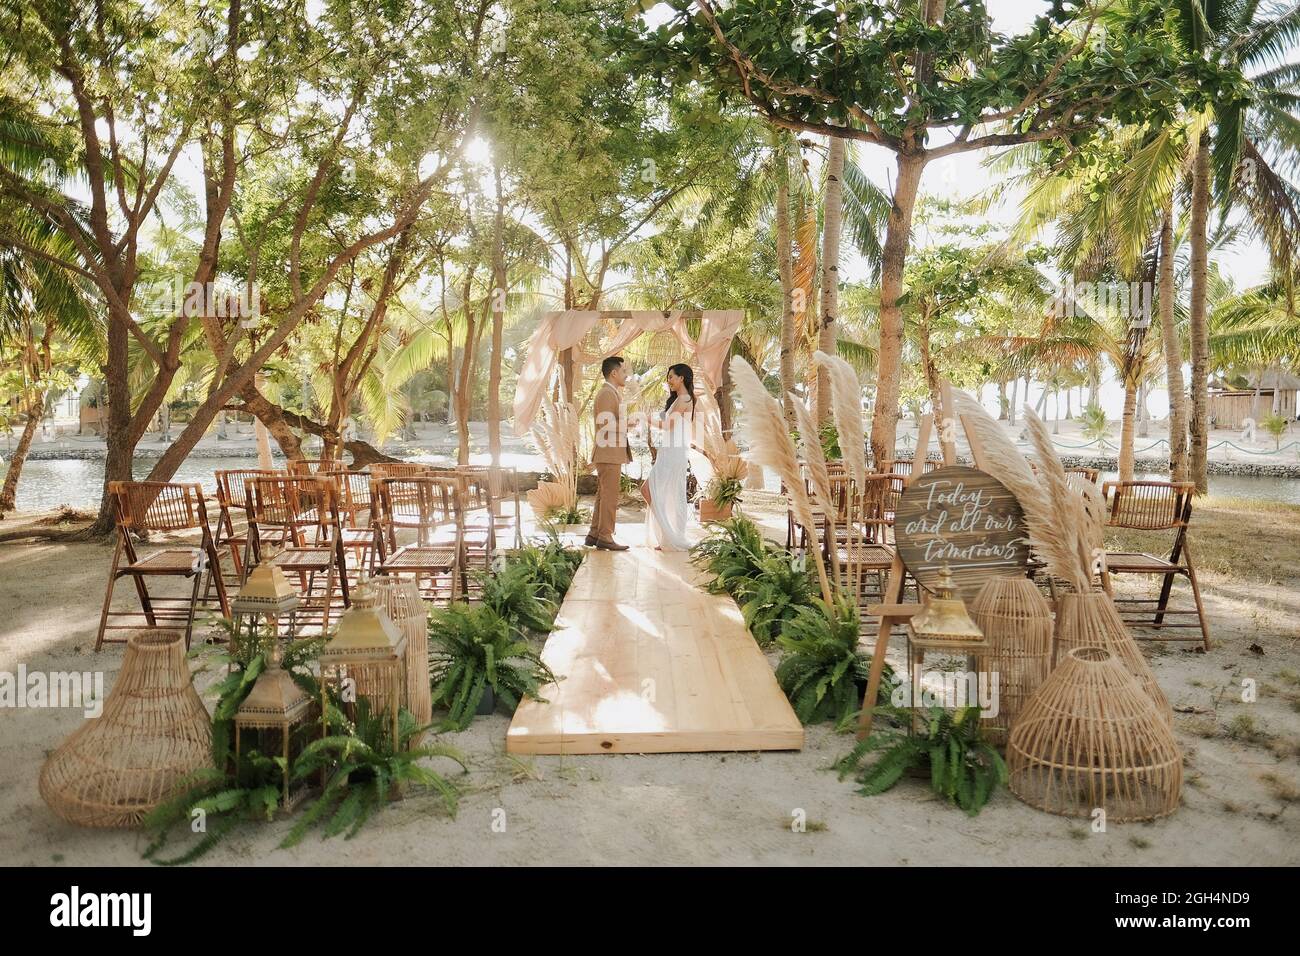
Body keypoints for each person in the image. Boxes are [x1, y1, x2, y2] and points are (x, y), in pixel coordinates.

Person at [640, 363, 695, 552]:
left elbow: (667, 426)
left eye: (671, 376)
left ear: (682, 378)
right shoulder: (678, 399)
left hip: (674, 453)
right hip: (669, 451)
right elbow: (666, 421)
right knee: (660, 493)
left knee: (649, 490)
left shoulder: (685, 399)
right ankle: (667, 535)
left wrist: (647, 419)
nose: (668, 380)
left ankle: (670, 535)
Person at [586, 355, 632, 551]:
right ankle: (605, 536)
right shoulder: (607, 394)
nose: (626, 375)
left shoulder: (611, 393)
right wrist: (627, 423)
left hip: (608, 452)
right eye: (623, 372)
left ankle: (595, 533)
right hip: (608, 453)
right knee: (610, 496)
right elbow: (605, 424)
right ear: (614, 373)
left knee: (604, 495)